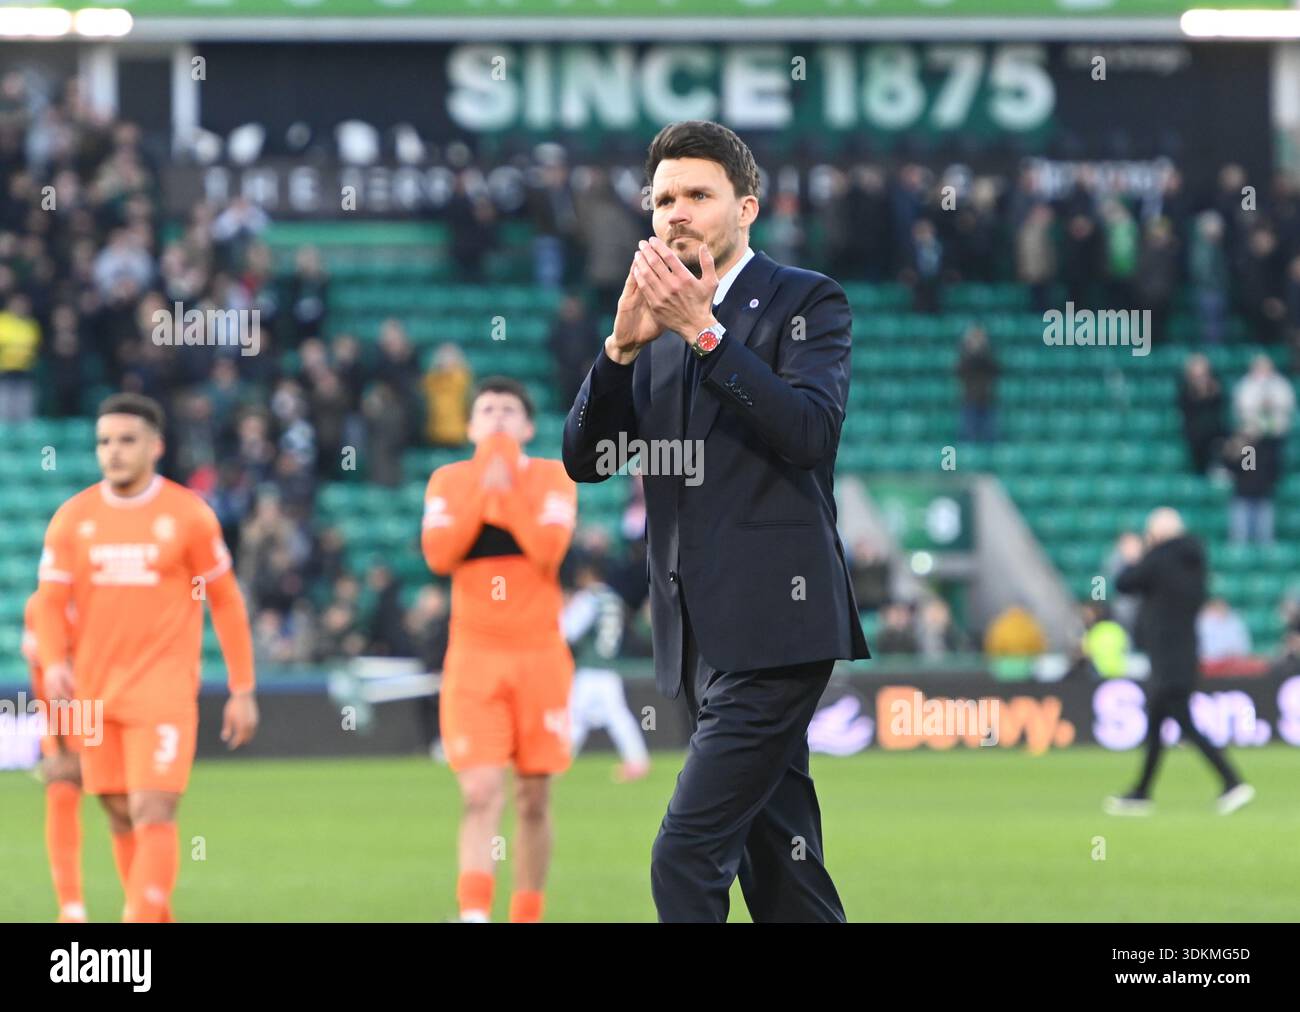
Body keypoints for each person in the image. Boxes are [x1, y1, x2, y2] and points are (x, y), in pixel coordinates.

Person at [563, 120, 868, 922]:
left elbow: (808, 432)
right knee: (784, 871)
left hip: (778, 624)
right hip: (696, 633)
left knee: (685, 856)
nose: (677, 213)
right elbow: (587, 462)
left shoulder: (806, 299)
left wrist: (704, 331)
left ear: (748, 207)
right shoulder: (654, 332)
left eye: (698, 195)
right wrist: (620, 353)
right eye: (663, 198)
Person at [31, 393, 259, 921]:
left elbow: (224, 601)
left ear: (156, 447)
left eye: (127, 440)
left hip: (162, 688)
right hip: (91, 691)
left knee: (153, 806)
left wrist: (242, 688)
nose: (114, 451)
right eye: (105, 441)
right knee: (116, 811)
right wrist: (54, 660)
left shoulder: (187, 516)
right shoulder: (73, 519)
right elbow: (48, 602)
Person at [421, 377, 578, 923]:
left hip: (539, 657)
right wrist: (484, 490)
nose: (497, 419)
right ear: (469, 426)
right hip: (474, 658)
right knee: (481, 790)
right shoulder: (447, 480)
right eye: (486, 410)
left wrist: (504, 489)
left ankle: (527, 912)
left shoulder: (555, 478)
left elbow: (548, 550)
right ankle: (473, 914)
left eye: (509, 411)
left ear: (529, 426)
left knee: (533, 797)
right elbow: (440, 555)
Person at [1103, 510, 1253, 816]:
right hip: (1185, 654)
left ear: (1156, 535)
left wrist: (1135, 555)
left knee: (1183, 723)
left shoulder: (1158, 560)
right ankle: (1142, 792)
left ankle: (1233, 781)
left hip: (1167, 658)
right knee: (1158, 724)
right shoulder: (1194, 559)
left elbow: (1124, 583)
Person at [22, 594, 85, 922]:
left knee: (133, 805)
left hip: (119, 704)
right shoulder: (40, 606)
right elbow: (42, 677)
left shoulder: (111, 593)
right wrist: (61, 747)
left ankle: (153, 909)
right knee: (62, 790)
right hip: (73, 711)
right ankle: (71, 908)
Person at [561, 559, 651, 782]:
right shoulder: (613, 598)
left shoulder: (588, 599)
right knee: (613, 716)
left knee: (576, 715)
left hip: (591, 667)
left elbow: (568, 630)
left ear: (588, 574)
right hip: (609, 665)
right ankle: (637, 761)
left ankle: (559, 760)